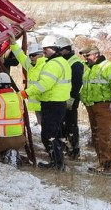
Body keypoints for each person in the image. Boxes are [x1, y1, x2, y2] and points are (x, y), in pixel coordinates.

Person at [20, 34, 72, 170]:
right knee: (56, 133)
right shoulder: (62, 62)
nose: (43, 52)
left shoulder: (53, 65)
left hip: (52, 103)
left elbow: (44, 84)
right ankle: (58, 162)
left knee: (48, 135)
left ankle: (56, 163)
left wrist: (26, 93)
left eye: (46, 49)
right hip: (59, 103)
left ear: (54, 49)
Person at [79, 46, 111, 175]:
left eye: (88, 55)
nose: (85, 58)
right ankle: (102, 164)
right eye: (84, 56)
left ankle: (108, 166)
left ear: (96, 54)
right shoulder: (89, 68)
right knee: (96, 135)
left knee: (104, 135)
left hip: (105, 105)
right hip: (91, 105)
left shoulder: (108, 67)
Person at [60, 42, 86, 159]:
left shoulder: (75, 63)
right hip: (64, 98)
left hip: (71, 99)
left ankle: (74, 151)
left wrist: (71, 99)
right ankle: (68, 149)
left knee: (71, 125)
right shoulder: (67, 60)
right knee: (64, 125)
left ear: (66, 50)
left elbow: (77, 83)